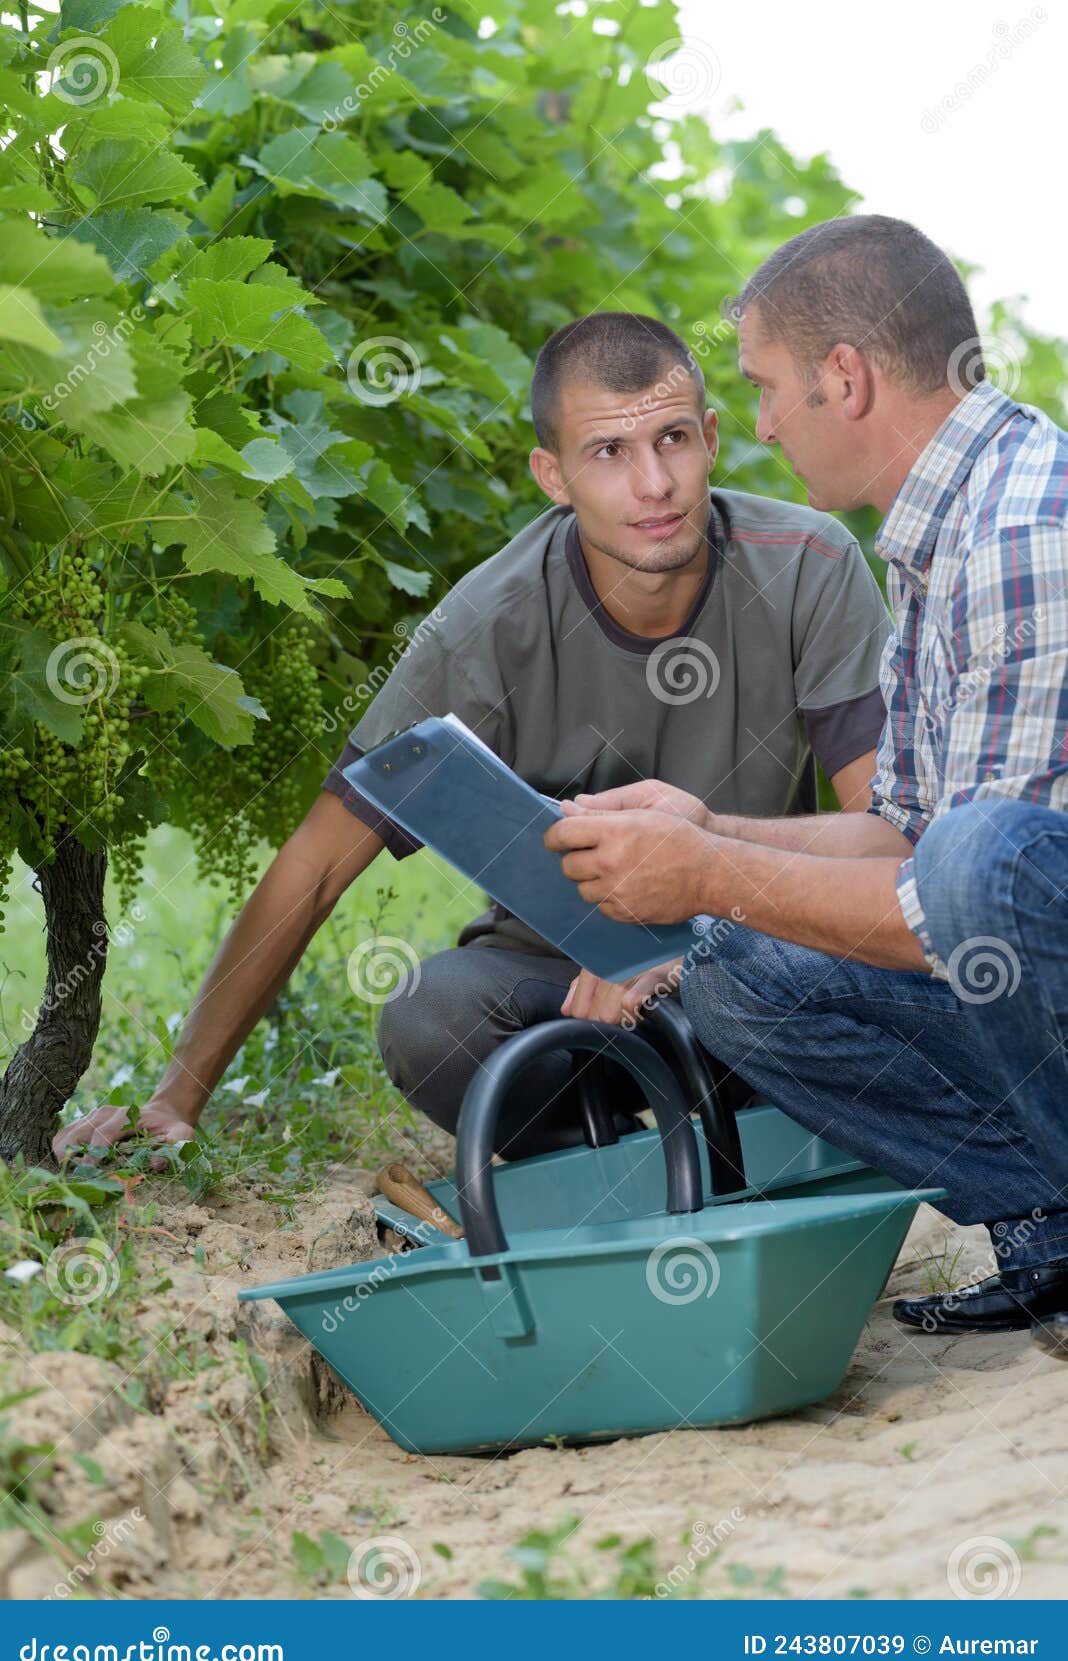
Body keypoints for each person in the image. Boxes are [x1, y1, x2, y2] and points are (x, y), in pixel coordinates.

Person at [54, 312, 889, 1165]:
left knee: (859, 981)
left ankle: (757, 1136)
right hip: (563, 994)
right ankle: (597, 1173)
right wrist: (176, 1096)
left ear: (710, 438)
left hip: (758, 951)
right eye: (608, 453)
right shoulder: (485, 627)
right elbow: (315, 867)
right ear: (551, 475)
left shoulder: (810, 568)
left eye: (673, 439)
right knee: (430, 1015)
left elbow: (886, 844)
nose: (654, 483)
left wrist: (703, 941)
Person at [545, 218, 1068, 1349]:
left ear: (847, 377)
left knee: (974, 867)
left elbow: (953, 903)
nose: (761, 427)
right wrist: (705, 831)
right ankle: (1052, 1218)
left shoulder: (1024, 530)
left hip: (1018, 920)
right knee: (737, 969)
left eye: (768, 389)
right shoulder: (934, 541)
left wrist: (710, 869)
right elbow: (903, 839)